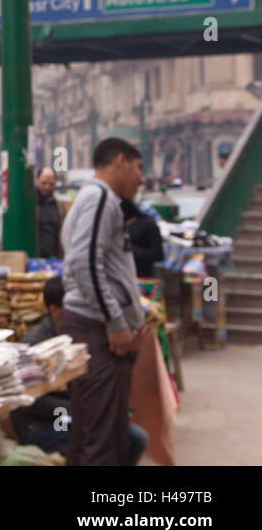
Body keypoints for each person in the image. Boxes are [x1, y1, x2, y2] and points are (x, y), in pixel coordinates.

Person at [59, 137, 150, 466]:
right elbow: (84, 263)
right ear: (121, 161)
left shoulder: (91, 197)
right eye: (139, 168)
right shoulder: (100, 198)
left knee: (92, 435)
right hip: (97, 330)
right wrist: (116, 322)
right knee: (103, 443)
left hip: (93, 327)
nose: (141, 179)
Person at [10, 277, 147, 464]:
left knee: (134, 437)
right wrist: (78, 410)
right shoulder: (34, 345)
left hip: (72, 417)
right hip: (40, 424)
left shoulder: (79, 335)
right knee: (117, 440)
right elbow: (30, 401)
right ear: (54, 311)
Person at [123, 197, 164, 279]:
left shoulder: (148, 225)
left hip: (141, 275)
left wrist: (130, 249)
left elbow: (158, 254)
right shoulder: (116, 226)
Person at [35, 168, 70, 258]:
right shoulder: (29, 205)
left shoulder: (60, 207)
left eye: (51, 184)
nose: (47, 187)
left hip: (54, 260)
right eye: (44, 183)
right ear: (37, 181)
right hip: (33, 259)